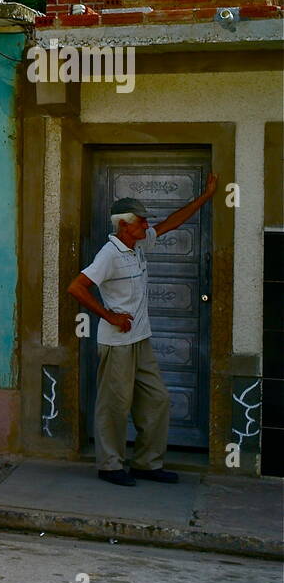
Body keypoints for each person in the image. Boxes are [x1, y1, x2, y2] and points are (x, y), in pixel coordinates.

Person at [66, 174, 217, 486]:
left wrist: (205, 196)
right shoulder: (109, 255)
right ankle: (110, 466)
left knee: (157, 399)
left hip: (140, 340)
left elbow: (172, 223)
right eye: (142, 222)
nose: (147, 226)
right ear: (124, 225)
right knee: (115, 405)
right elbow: (76, 287)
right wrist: (108, 315)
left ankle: (147, 463)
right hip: (117, 342)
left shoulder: (136, 245)